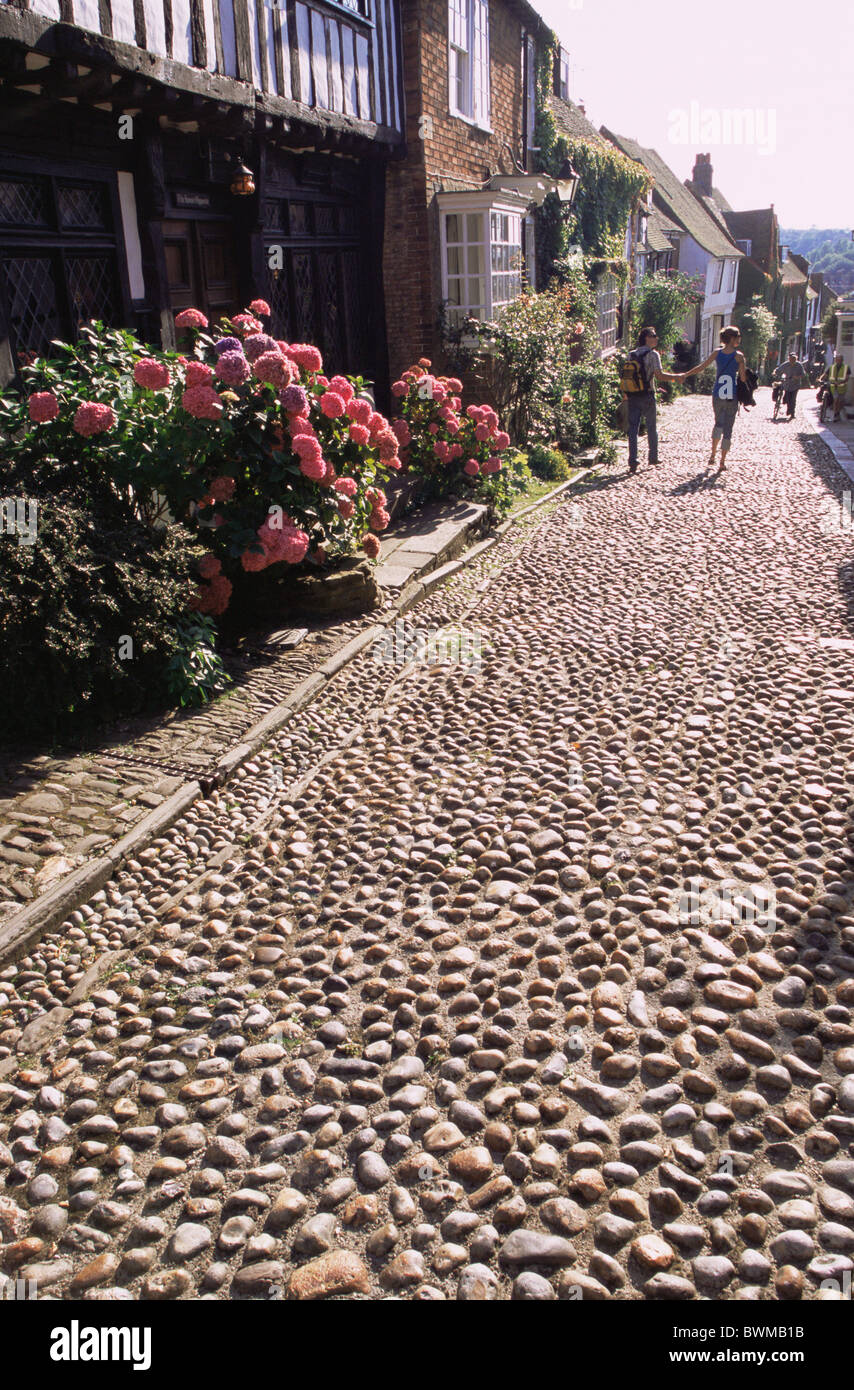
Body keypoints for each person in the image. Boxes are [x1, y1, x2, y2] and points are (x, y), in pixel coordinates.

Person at [678, 325, 748, 473]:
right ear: (733, 338)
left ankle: (712, 453)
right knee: (728, 429)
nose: (739, 340)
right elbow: (742, 378)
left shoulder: (717, 353)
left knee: (718, 423)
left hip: (718, 394)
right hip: (731, 395)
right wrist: (742, 364)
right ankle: (722, 461)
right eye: (738, 337)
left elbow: (701, 367)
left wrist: (685, 374)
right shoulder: (739, 356)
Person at [623, 326, 683, 474]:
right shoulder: (653, 355)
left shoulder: (631, 355)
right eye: (653, 336)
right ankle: (653, 457)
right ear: (646, 338)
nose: (656, 338)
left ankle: (632, 460)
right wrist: (676, 378)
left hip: (632, 395)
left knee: (633, 428)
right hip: (648, 394)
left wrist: (625, 393)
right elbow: (660, 375)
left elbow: (625, 376)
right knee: (651, 427)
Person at [771, 351, 807, 420]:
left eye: (793, 359)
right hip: (787, 384)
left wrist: (797, 377)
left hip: (795, 385)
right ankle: (789, 410)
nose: (792, 360)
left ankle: (792, 413)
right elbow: (778, 370)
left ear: (796, 359)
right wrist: (774, 373)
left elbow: (803, 374)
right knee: (787, 398)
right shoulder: (786, 364)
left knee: (793, 399)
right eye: (791, 359)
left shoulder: (799, 365)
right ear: (789, 359)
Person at [822, 353, 851, 422]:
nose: (838, 361)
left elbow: (847, 378)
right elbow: (825, 375)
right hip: (833, 387)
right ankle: (835, 415)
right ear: (835, 360)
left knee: (841, 402)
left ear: (842, 360)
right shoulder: (831, 367)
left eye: (840, 360)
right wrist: (821, 379)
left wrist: (840, 382)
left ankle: (838, 412)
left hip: (842, 387)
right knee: (836, 400)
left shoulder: (846, 368)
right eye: (837, 360)